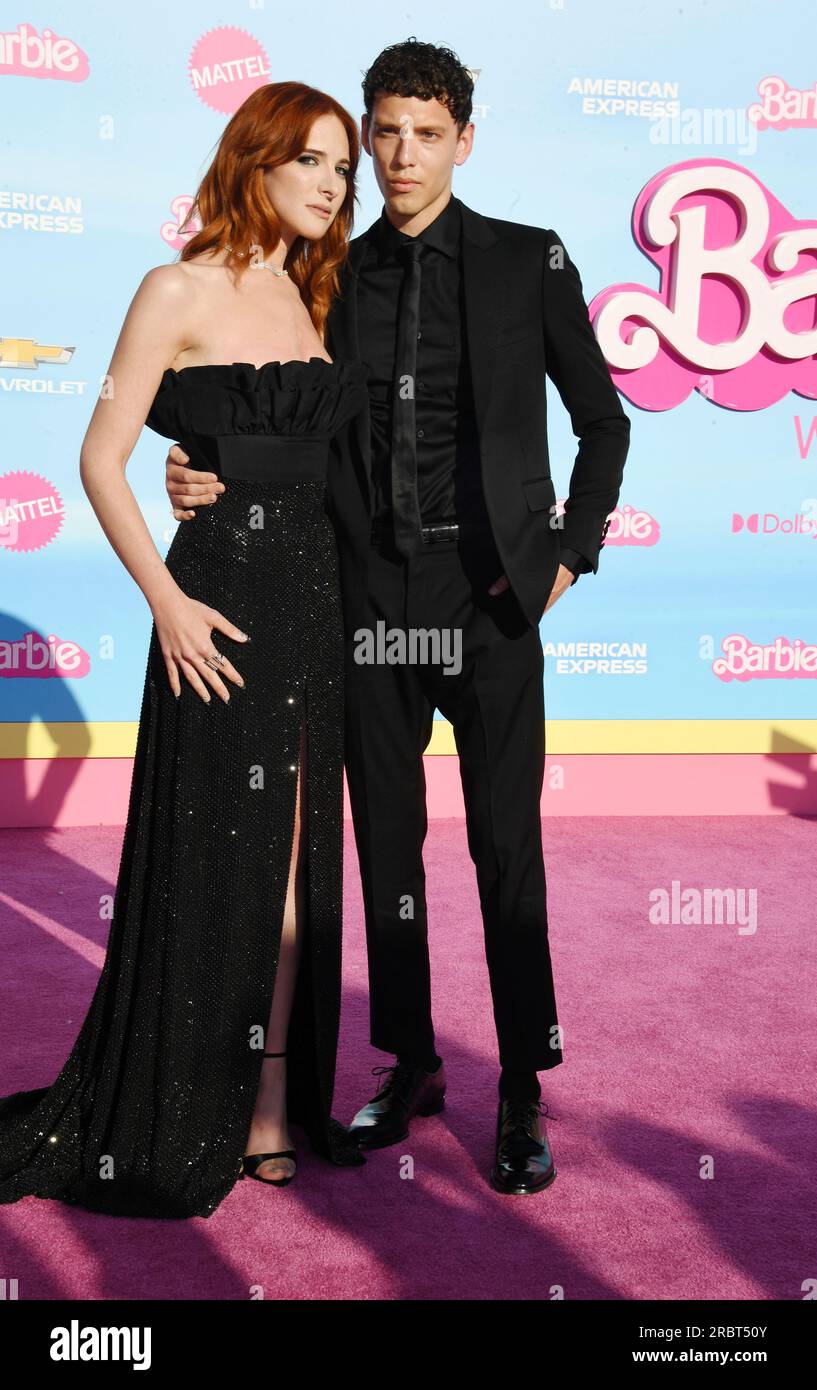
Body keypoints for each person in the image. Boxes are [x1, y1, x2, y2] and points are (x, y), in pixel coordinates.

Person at [165, 40, 631, 1196]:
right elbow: (267, 403)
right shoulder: (328, 275)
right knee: (388, 853)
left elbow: (603, 421)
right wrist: (195, 468)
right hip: (368, 606)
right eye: (384, 133)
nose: (401, 154)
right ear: (367, 141)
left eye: (425, 133)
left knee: (504, 851)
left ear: (463, 141)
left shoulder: (530, 261)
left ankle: (520, 1084)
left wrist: (569, 552)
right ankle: (410, 1059)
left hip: (489, 608)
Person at [0, 81, 370, 1220]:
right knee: (219, 861)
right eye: (311, 160)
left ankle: (263, 1106)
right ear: (253, 159)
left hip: (313, 605)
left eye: (341, 169)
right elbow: (104, 453)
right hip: (213, 608)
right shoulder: (174, 287)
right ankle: (171, 1097)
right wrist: (164, 597)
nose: (330, 185)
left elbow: (296, 450)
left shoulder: (316, 292)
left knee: (300, 873)